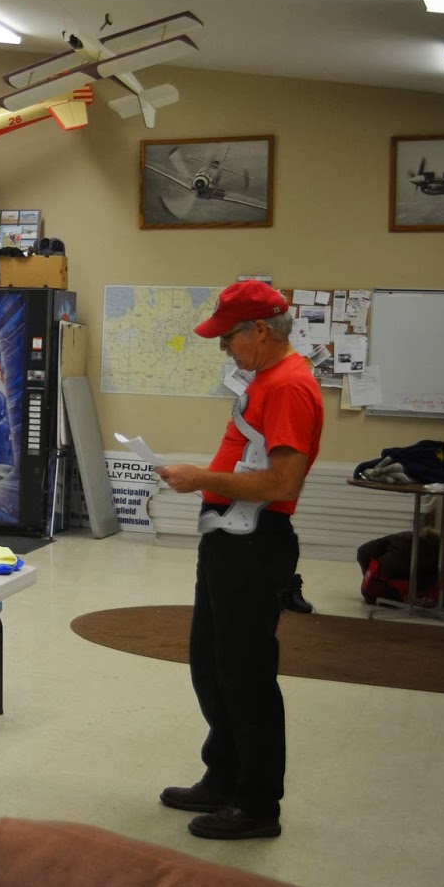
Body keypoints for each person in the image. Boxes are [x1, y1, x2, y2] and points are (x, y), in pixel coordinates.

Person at [155, 281, 323, 842]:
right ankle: (223, 775)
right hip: (230, 540)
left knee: (247, 676)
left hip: (255, 544)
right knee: (212, 665)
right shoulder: (266, 381)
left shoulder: (290, 386)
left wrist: (201, 478)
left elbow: (282, 481)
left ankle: (256, 804)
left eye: (228, 337)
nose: (224, 347)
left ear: (258, 330)